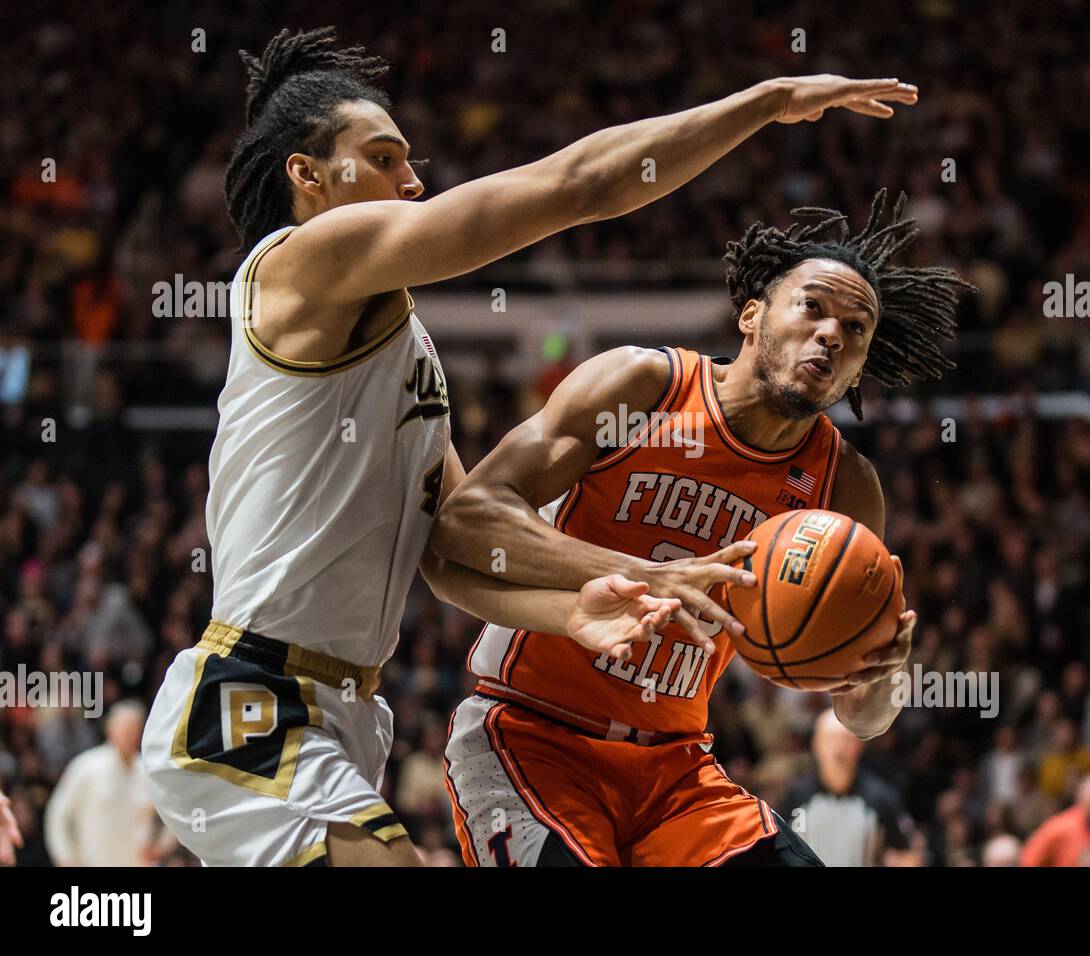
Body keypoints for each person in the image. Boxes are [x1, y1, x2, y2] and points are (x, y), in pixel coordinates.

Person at [140, 25, 921, 867]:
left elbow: (452, 554)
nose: (412, 180)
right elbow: (575, 185)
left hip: (347, 710)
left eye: (410, 162)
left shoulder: (411, 363)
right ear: (306, 175)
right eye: (383, 158)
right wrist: (765, 104)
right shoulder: (293, 267)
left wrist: (571, 611)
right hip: (250, 693)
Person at [433, 193, 973, 865]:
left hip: (677, 772)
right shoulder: (643, 386)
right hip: (532, 737)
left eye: (855, 329)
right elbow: (465, 520)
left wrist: (885, 676)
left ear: (860, 365)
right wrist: (647, 576)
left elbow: (860, 717)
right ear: (752, 316)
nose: (833, 333)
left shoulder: (845, 486)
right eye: (812, 307)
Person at [781, 709, 915, 866]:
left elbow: (908, 855)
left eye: (845, 739)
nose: (838, 749)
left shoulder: (880, 797)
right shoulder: (796, 795)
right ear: (815, 745)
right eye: (830, 739)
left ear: (859, 745)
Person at [44, 702, 163, 866]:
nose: (128, 734)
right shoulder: (86, 767)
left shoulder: (149, 772)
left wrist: (161, 846)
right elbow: (58, 813)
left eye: (132, 729)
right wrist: (64, 857)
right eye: (123, 728)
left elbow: (171, 813)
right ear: (110, 729)